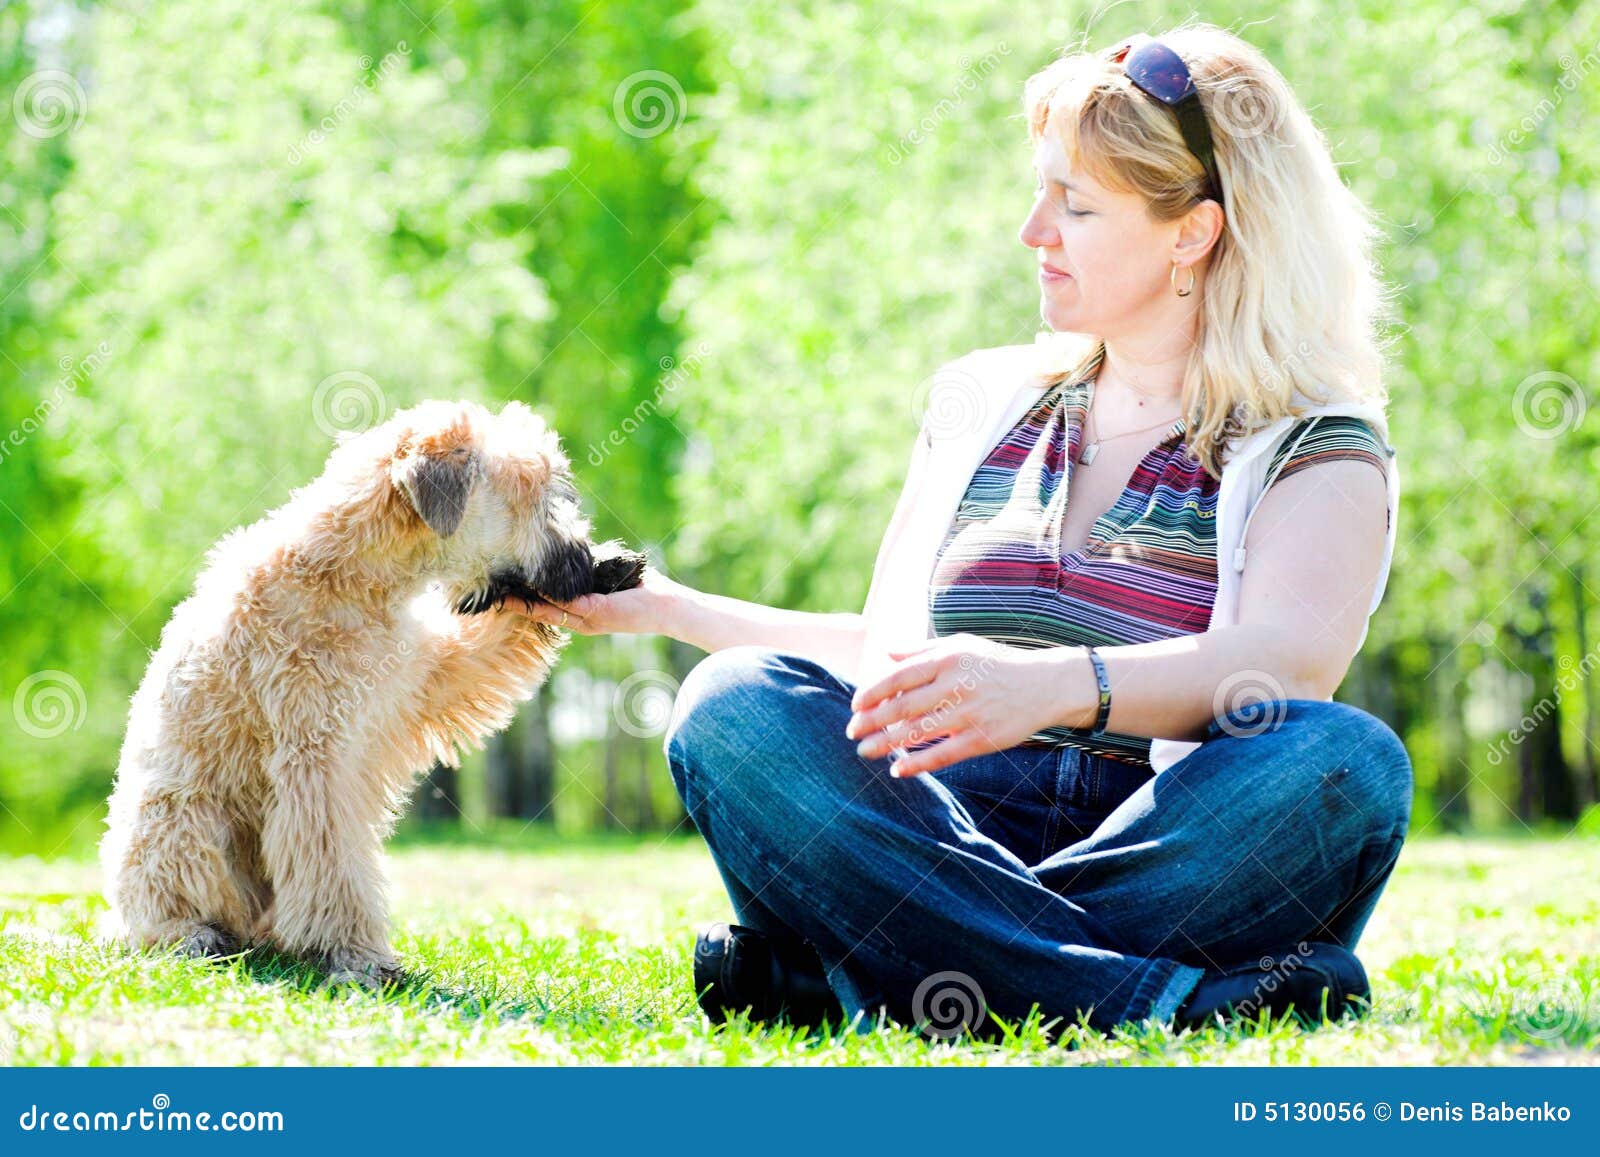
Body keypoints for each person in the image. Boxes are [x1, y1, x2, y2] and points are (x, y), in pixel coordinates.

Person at [503, 23, 1413, 1040]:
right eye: (1040, 195)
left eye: (1074, 205)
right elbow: (895, 662)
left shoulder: (1318, 444)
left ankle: (867, 977)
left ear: (1190, 234)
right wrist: (669, 609)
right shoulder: (983, 400)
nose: (1034, 231)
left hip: (1158, 835)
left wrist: (1050, 687)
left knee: (1343, 762)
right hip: (930, 822)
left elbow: (1281, 666)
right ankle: (1143, 998)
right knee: (734, 703)